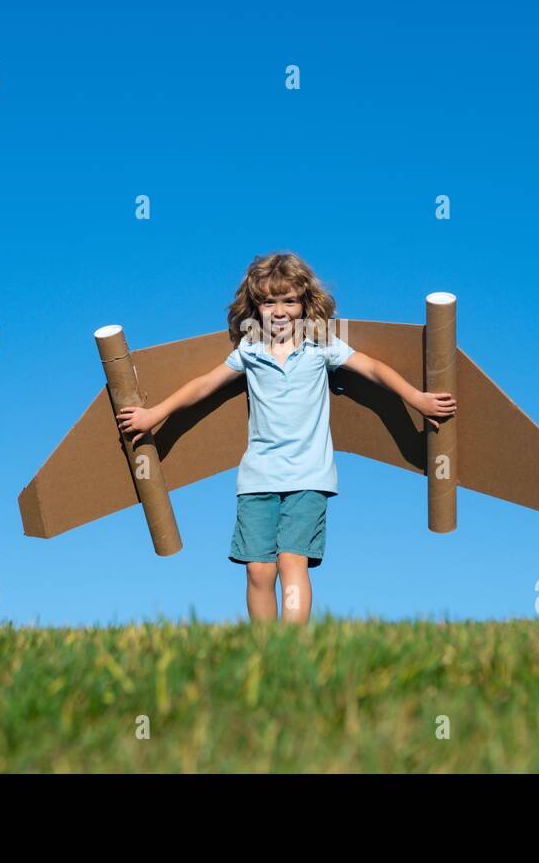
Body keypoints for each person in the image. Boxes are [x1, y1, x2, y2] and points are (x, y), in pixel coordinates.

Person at [114, 252, 456, 623]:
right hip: (258, 475)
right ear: (255, 306)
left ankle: (292, 648)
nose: (279, 311)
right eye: (268, 301)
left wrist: (416, 398)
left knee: (293, 561)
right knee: (258, 570)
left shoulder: (321, 344)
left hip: (309, 475)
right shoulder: (251, 350)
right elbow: (203, 386)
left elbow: (372, 368)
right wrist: (155, 413)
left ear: (305, 303)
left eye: (289, 301)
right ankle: (265, 650)